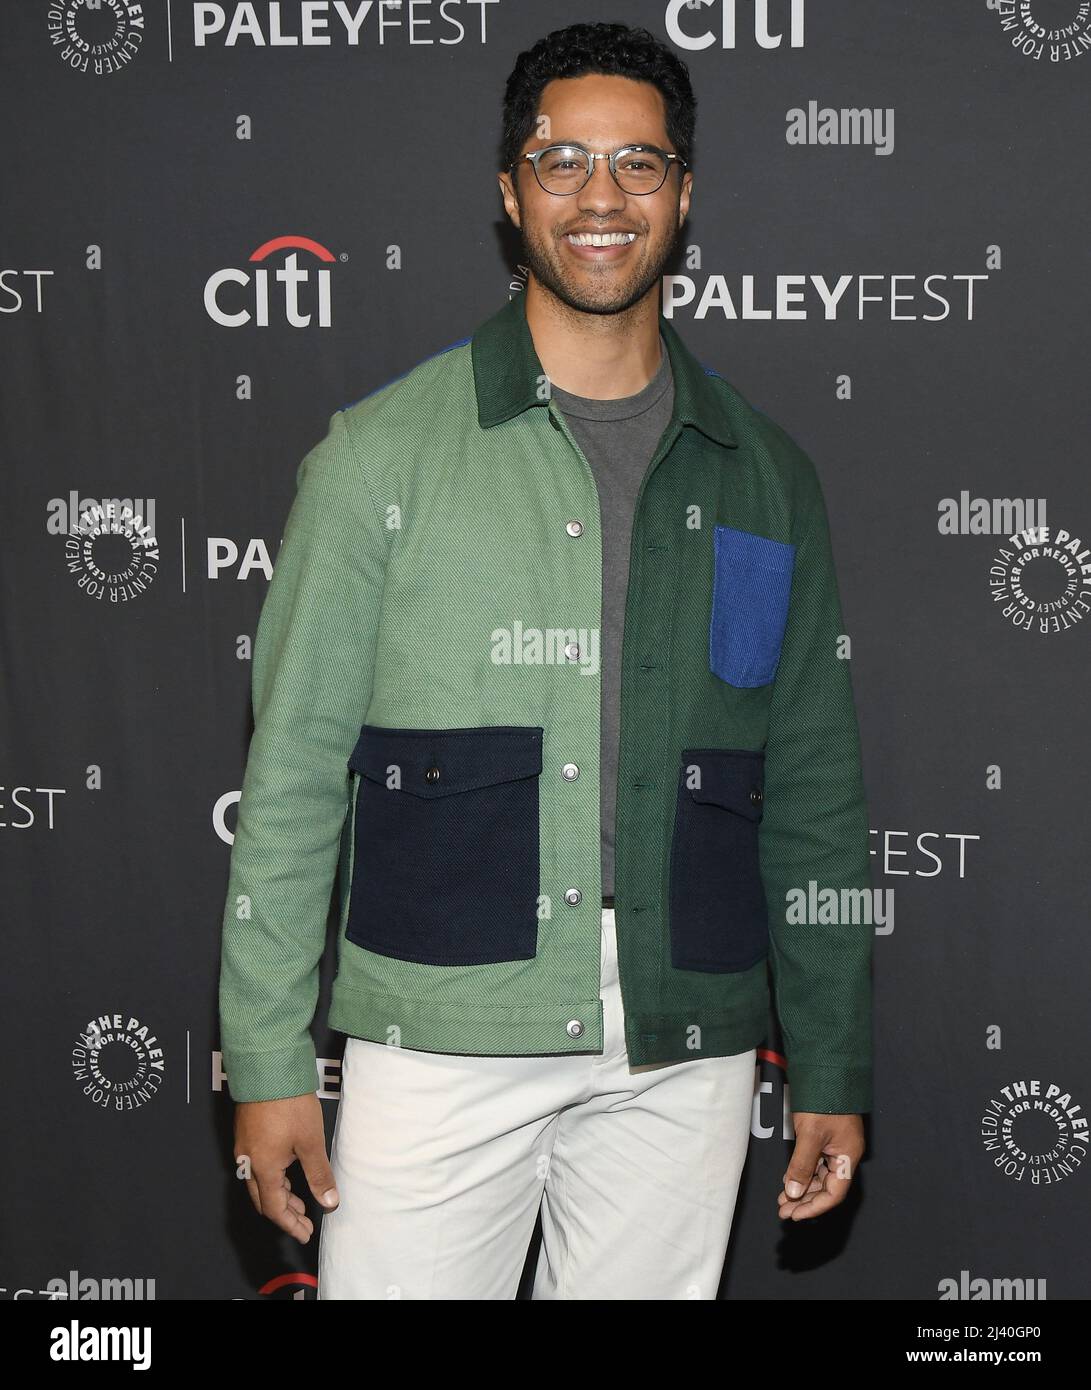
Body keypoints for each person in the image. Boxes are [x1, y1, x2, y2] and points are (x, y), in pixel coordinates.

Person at [218, 20, 874, 1301]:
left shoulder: (766, 474)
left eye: (637, 165)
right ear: (509, 191)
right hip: (443, 1026)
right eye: (560, 160)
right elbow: (291, 772)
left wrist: (834, 1061)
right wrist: (265, 1060)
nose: (599, 198)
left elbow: (810, 788)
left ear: (682, 196)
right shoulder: (379, 458)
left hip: (684, 1045)